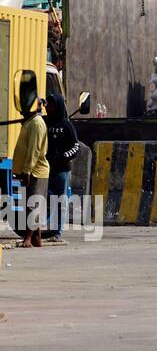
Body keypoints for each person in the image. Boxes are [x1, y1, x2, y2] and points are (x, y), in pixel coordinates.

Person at [13, 89, 49, 248]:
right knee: (34, 205)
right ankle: (37, 239)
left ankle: (28, 238)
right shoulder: (30, 122)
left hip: (36, 171)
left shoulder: (36, 123)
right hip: (31, 170)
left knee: (33, 206)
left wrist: (27, 171)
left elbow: (33, 150)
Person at [43, 94, 80, 242]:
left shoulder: (66, 125)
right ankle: (43, 230)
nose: (50, 108)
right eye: (48, 105)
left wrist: (64, 157)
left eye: (52, 105)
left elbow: (75, 146)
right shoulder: (43, 122)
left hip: (61, 171)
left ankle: (57, 232)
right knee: (44, 200)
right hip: (45, 169)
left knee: (60, 201)